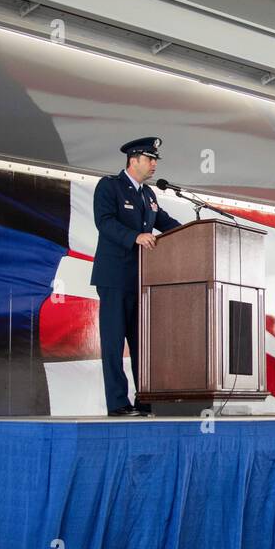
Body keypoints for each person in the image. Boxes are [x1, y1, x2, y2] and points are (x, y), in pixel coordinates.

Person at [91, 136, 181, 417]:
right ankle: (118, 402)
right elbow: (104, 223)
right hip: (115, 277)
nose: (154, 164)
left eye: (155, 160)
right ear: (134, 160)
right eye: (150, 159)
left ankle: (145, 401)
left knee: (143, 345)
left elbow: (166, 224)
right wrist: (136, 237)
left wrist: (198, 231)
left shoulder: (149, 195)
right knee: (114, 343)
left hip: (142, 281)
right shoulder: (110, 187)